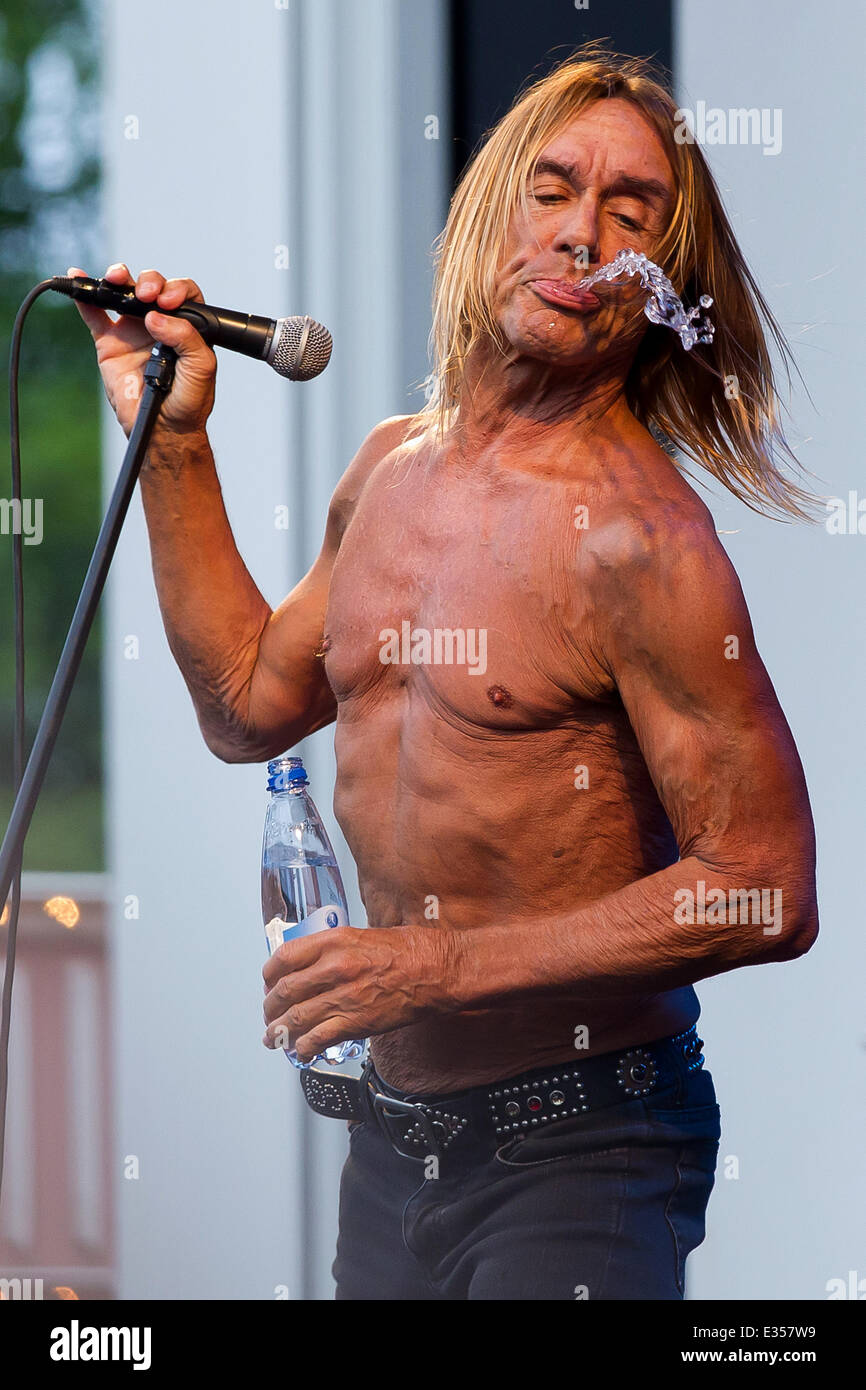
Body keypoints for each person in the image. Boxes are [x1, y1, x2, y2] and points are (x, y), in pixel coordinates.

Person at [73, 47, 818, 1300]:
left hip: (585, 1144)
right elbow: (246, 704)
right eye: (552, 189)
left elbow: (766, 891)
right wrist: (177, 445)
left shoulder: (643, 543)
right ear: (490, 212)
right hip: (397, 1143)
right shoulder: (387, 469)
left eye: (628, 214)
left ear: (659, 280)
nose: (580, 233)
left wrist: (440, 964)